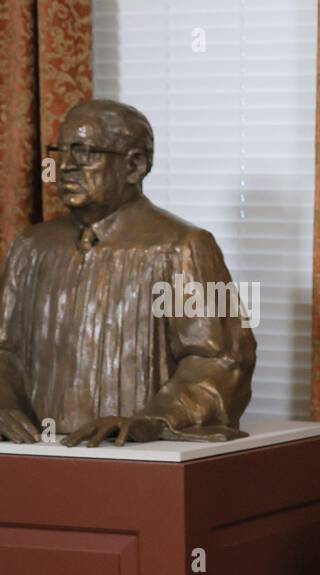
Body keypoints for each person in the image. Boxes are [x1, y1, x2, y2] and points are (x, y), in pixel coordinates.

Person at [0, 99, 255, 447]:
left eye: (86, 152)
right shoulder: (31, 246)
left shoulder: (186, 246)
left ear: (134, 166)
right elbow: (5, 351)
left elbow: (223, 358)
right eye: (62, 151)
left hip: (132, 454)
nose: (66, 166)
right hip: (38, 450)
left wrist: (152, 420)